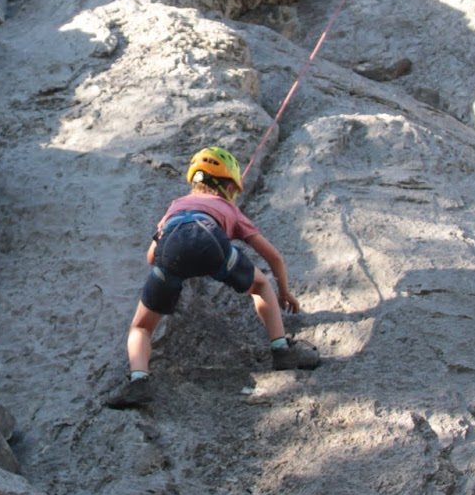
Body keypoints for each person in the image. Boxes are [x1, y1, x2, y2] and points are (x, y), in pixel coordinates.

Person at [106, 145, 321, 408]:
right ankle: (281, 350)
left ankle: (138, 381)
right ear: (229, 188)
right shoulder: (230, 209)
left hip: (170, 253)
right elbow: (273, 256)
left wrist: (179, 267)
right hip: (211, 244)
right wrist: (284, 292)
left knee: (140, 327)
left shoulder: (175, 206)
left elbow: (151, 257)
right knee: (260, 285)